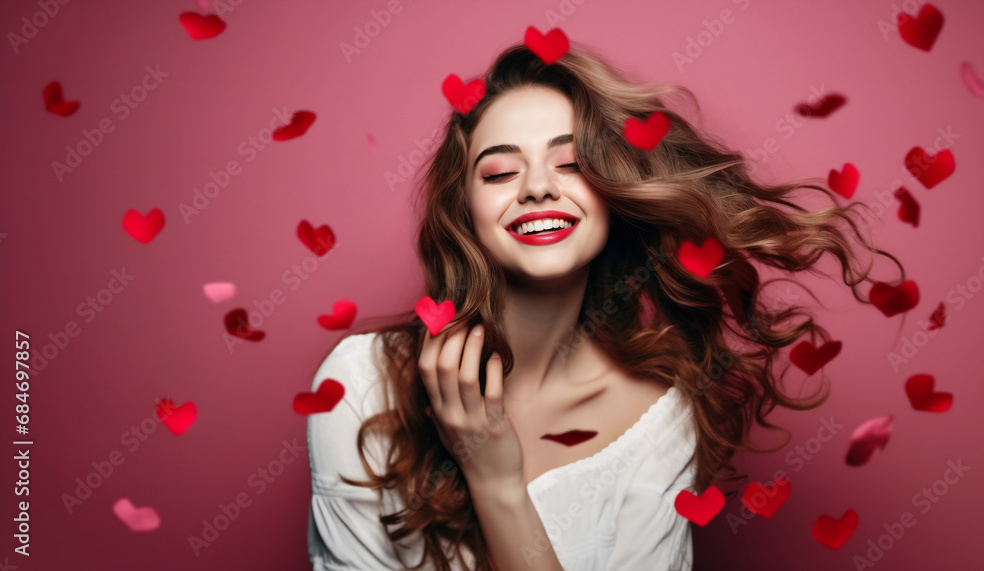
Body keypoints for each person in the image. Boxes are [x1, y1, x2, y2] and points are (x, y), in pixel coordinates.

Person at [306, 40, 905, 571]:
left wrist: (496, 480)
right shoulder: (362, 384)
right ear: (464, 213)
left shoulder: (656, 424)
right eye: (499, 171)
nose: (538, 186)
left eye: (571, 164)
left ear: (616, 192)